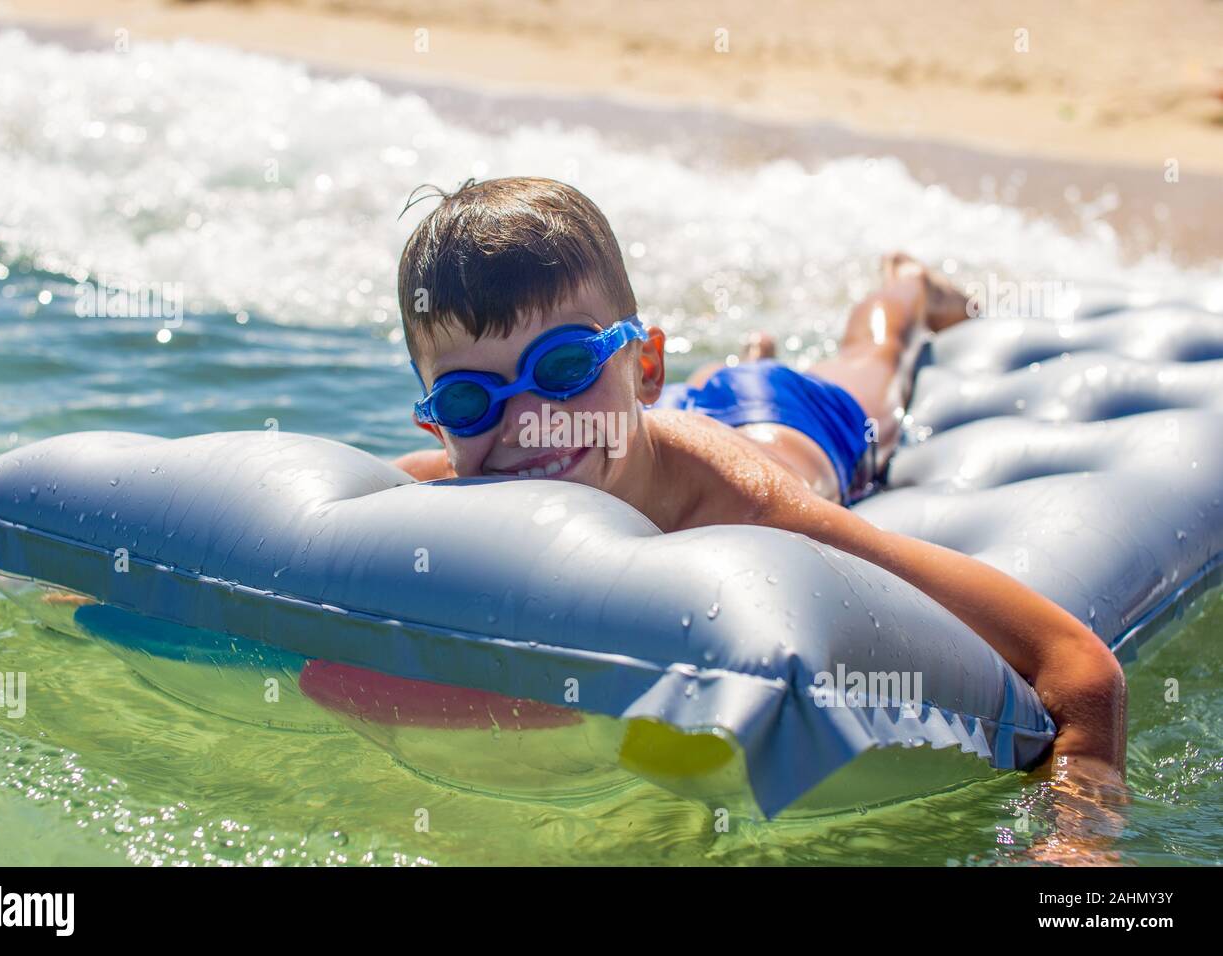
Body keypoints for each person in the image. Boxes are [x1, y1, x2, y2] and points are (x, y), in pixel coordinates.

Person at [392, 177, 1127, 856]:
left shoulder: (756, 510)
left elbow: (1081, 668)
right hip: (663, 424)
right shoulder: (487, 468)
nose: (527, 424)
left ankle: (906, 286)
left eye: (563, 366)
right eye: (468, 398)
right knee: (679, 413)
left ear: (644, 366)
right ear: (437, 428)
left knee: (871, 358)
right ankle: (722, 363)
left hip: (788, 425)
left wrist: (1079, 837)